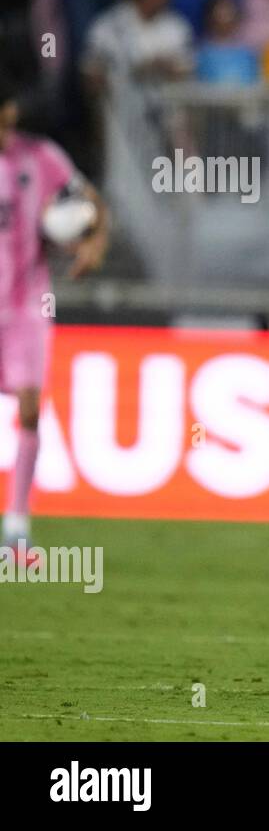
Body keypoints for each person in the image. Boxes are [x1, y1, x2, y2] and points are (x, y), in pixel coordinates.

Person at [0, 76, 110, 562]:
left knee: (28, 406)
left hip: (26, 303)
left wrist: (91, 244)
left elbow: (91, 202)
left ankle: (16, 527)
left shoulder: (39, 157)